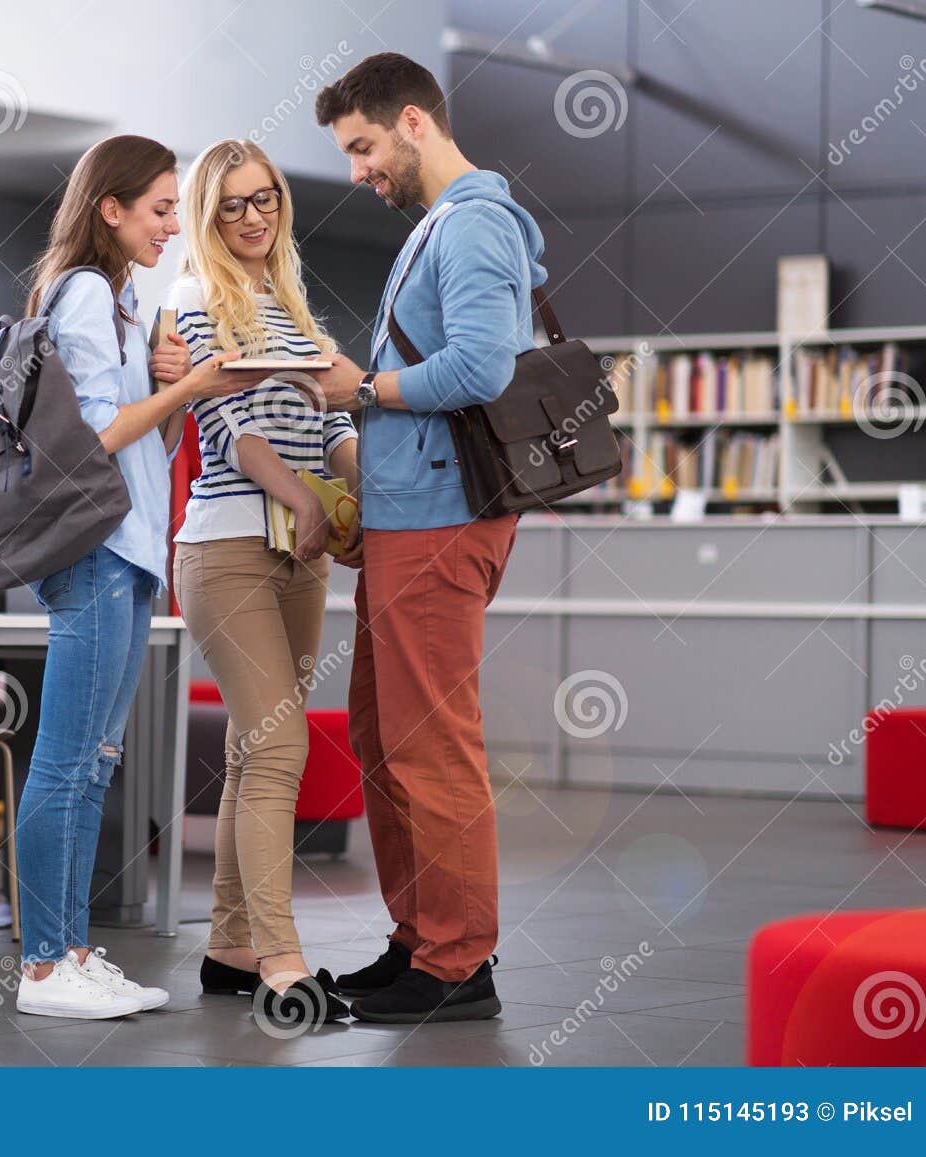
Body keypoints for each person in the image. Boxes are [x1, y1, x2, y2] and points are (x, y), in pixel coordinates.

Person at [303, 52, 548, 1023]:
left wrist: (358, 387)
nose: (360, 170)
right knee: (385, 738)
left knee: (430, 746)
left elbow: (482, 369)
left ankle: (455, 962)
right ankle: (419, 938)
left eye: (362, 147)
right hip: (411, 519)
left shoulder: (475, 224)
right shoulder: (445, 227)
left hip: (443, 524)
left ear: (412, 121)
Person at [14, 134, 245, 1020]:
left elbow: (140, 444)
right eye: (158, 210)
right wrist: (186, 390)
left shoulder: (118, 301)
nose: (170, 229)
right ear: (108, 208)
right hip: (99, 551)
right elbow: (94, 440)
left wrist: (166, 386)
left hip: (132, 547)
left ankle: (71, 948)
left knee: (94, 762)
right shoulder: (79, 294)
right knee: (68, 763)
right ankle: (43, 967)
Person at [150, 138, 357, 1024]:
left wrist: (352, 493)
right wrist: (303, 503)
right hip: (230, 544)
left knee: (250, 749)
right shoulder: (194, 297)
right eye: (231, 203)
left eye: (264, 197)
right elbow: (231, 425)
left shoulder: (293, 306)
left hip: (302, 550)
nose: (252, 216)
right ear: (206, 213)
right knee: (279, 748)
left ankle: (231, 946)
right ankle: (284, 958)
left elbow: (334, 417)